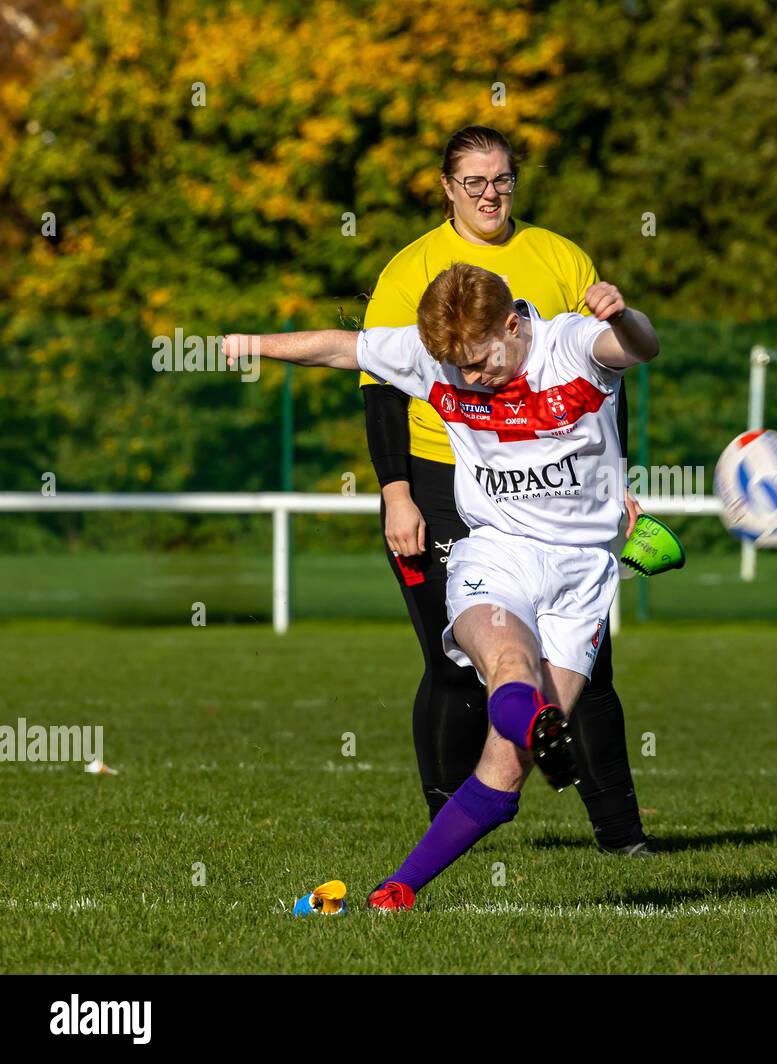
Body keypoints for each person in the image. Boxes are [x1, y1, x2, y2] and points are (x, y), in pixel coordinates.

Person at [223, 263, 660, 909]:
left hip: (583, 572)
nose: (472, 378)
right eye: (459, 367)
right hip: (496, 549)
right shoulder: (442, 354)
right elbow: (341, 349)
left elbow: (641, 346)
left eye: (483, 362)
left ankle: (515, 752)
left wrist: (621, 314)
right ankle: (396, 888)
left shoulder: (572, 343)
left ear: (512, 322)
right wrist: (251, 345)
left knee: (508, 767)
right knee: (507, 661)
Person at [362, 125, 653, 854]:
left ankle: (621, 836)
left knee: (589, 670)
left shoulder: (560, 257)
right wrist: (396, 493)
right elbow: (378, 384)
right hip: (438, 480)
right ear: (445, 187)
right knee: (455, 665)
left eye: (501, 180)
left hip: (555, 485)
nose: (489, 194)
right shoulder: (412, 267)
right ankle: (452, 825)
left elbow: (606, 376)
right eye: (473, 182)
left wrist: (620, 481)